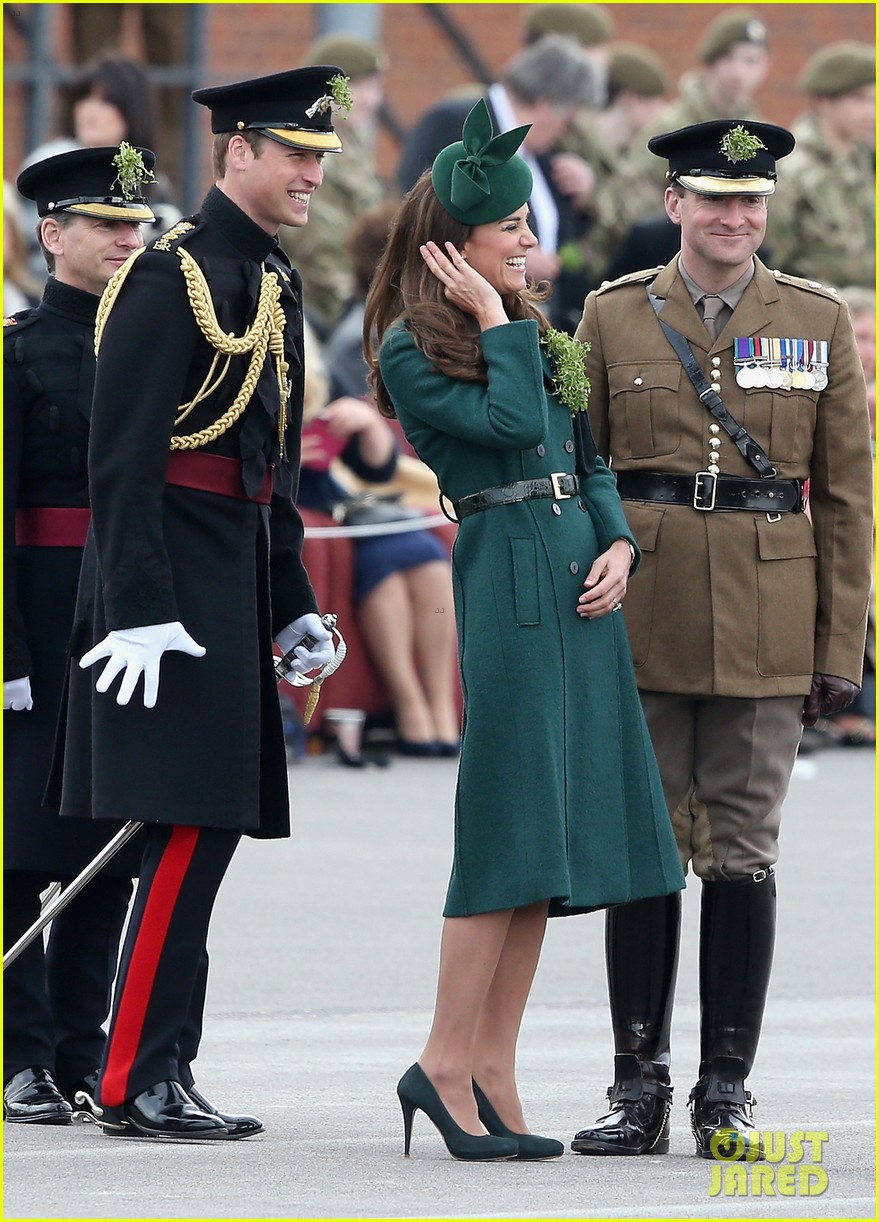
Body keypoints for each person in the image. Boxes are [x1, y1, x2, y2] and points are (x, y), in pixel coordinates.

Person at [365, 99, 684, 1162]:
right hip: (503, 572)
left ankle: (493, 1062)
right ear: (458, 245)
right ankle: (443, 1063)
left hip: (575, 574)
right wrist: (501, 327)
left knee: (550, 832)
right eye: (513, 233)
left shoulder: (533, 330)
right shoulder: (414, 346)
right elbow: (503, 431)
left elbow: (587, 456)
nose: (530, 249)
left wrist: (618, 543)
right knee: (506, 821)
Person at [46, 65, 346, 1141]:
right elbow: (118, 458)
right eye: (294, 154)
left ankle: (165, 1062)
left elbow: (265, 468)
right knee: (179, 834)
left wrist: (291, 605)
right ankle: (133, 1076)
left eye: (320, 157)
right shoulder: (166, 274)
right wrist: (134, 604)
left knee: (205, 834)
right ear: (238, 153)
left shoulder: (270, 279)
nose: (312, 172)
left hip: (225, 583)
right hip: (164, 592)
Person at [570, 119, 873, 1159]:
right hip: (640, 614)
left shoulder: (817, 319)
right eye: (712, 199)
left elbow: (844, 501)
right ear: (674, 205)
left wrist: (841, 646)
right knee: (643, 849)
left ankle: (726, 1089)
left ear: (768, 210)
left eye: (750, 201)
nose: (733, 217)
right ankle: (636, 1085)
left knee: (740, 854)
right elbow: (582, 475)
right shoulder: (611, 318)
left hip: (767, 617)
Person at [3, 146, 153, 1126]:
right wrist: (5, 651)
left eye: (133, 225)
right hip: (40, 604)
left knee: (110, 840)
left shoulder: (159, 346)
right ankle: (18, 1053)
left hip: (129, 612)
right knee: (19, 845)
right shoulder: (15, 351)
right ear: (51, 233)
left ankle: (82, 1051)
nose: (123, 239)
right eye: (103, 223)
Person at [397, 34, 604, 332]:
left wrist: (585, 197)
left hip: (532, 320)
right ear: (546, 104)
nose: (566, 133)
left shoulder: (545, 154)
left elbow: (563, 235)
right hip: (458, 322)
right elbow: (423, 214)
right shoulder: (456, 121)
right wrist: (510, 254)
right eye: (568, 121)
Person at [278, 33, 395, 340]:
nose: (371, 100)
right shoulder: (318, 160)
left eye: (375, 87)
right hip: (325, 321)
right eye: (357, 87)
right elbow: (325, 261)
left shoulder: (352, 147)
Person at [766, 42, 875, 290]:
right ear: (823, 101)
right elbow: (773, 263)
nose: (870, 112)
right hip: (817, 309)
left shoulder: (864, 165)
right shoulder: (792, 171)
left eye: (873, 99)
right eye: (858, 99)